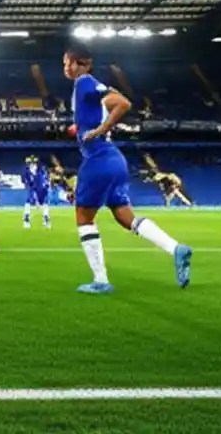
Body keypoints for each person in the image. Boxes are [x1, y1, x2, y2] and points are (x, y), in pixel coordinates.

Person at [63, 44, 191, 293]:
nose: (66, 68)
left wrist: (101, 129)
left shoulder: (85, 82)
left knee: (84, 217)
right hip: (114, 160)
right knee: (125, 217)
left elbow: (122, 103)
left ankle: (100, 281)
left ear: (83, 64)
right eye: (64, 63)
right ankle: (176, 248)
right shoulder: (86, 88)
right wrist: (82, 128)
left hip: (99, 159)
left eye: (69, 63)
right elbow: (103, 107)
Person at [22, 155, 51, 229]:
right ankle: (28, 218)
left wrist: (46, 185)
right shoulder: (31, 171)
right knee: (32, 202)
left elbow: (44, 179)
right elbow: (29, 182)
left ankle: (44, 218)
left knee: (37, 202)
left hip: (39, 188)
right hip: (38, 188)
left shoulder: (38, 170)